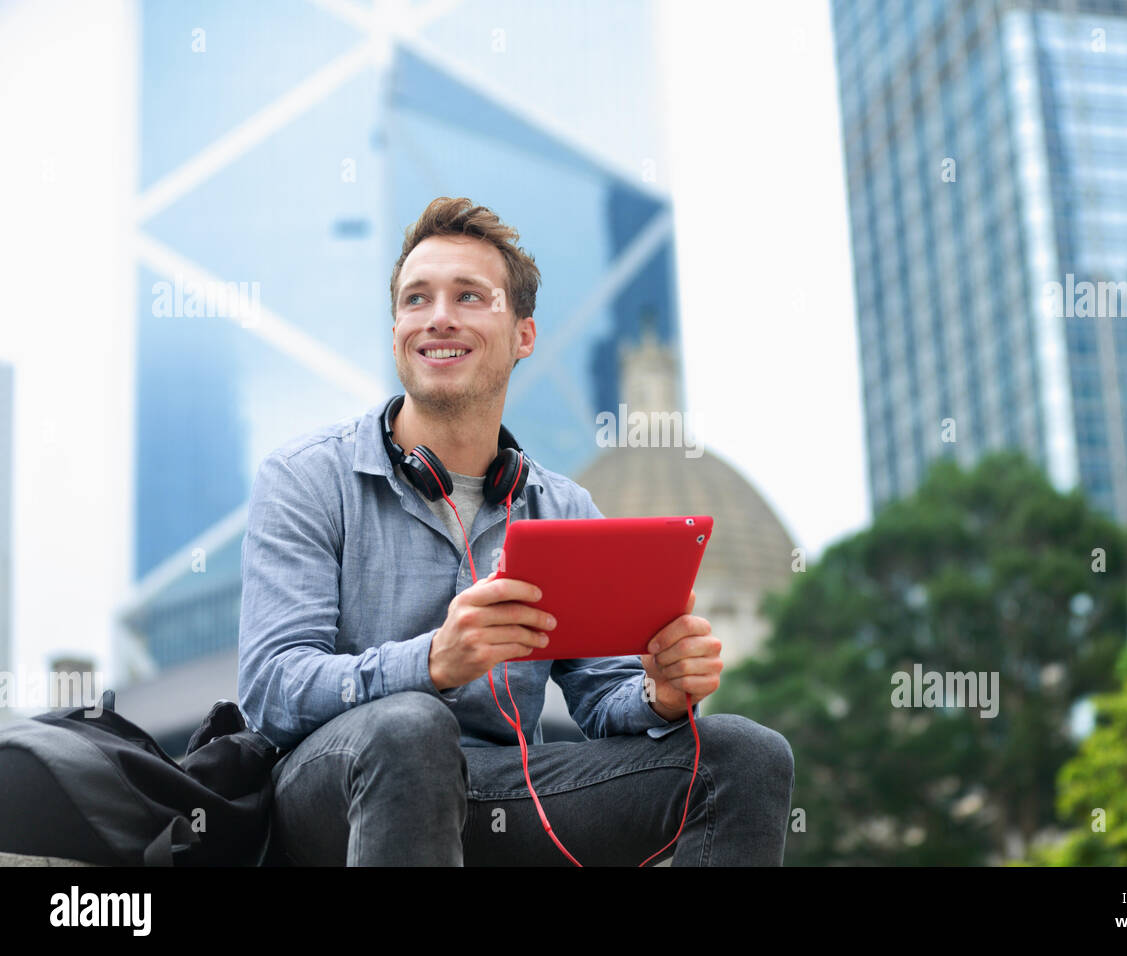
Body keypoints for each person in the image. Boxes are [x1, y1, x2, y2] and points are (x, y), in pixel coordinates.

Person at [237, 196, 795, 866]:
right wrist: (432, 663)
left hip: (499, 793)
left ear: (524, 335)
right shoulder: (305, 478)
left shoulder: (563, 506)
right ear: (396, 334)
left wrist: (660, 694)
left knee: (745, 754)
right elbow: (270, 688)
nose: (438, 316)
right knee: (411, 729)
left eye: (469, 296)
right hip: (333, 791)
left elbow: (602, 699)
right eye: (417, 299)